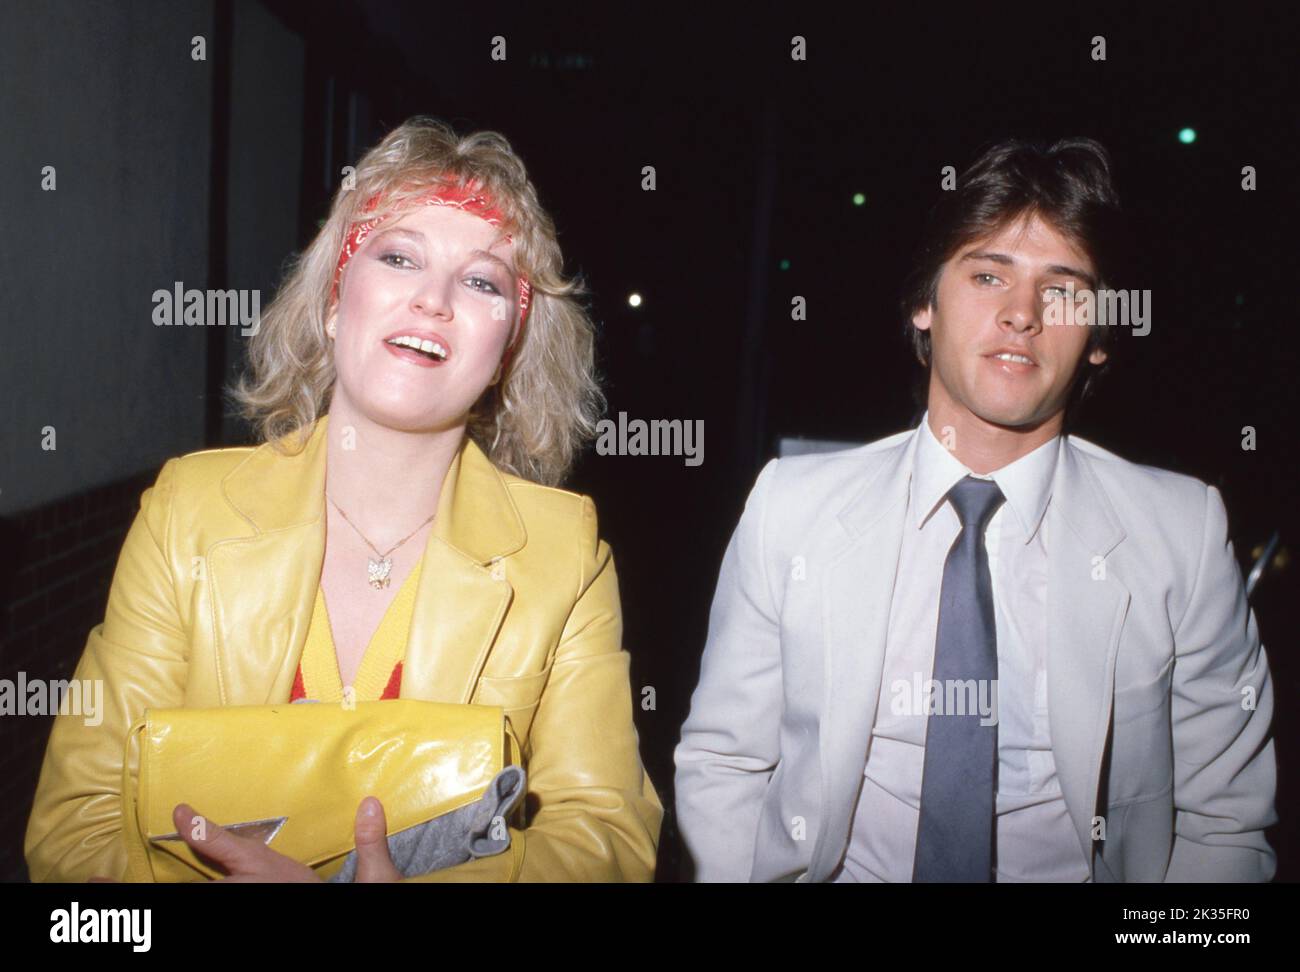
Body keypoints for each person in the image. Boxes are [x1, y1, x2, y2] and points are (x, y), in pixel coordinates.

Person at [25, 116, 662, 883]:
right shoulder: (186, 514)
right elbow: (73, 831)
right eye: (398, 257)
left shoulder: (566, 558)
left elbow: (607, 845)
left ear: (508, 351)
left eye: (482, 280)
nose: (434, 300)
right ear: (335, 303)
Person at [674, 137, 1277, 882]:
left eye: (1062, 289)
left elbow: (1225, 820)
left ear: (1098, 338)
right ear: (924, 306)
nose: (1022, 312)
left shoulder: (1182, 533)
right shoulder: (789, 509)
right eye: (988, 275)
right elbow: (724, 761)